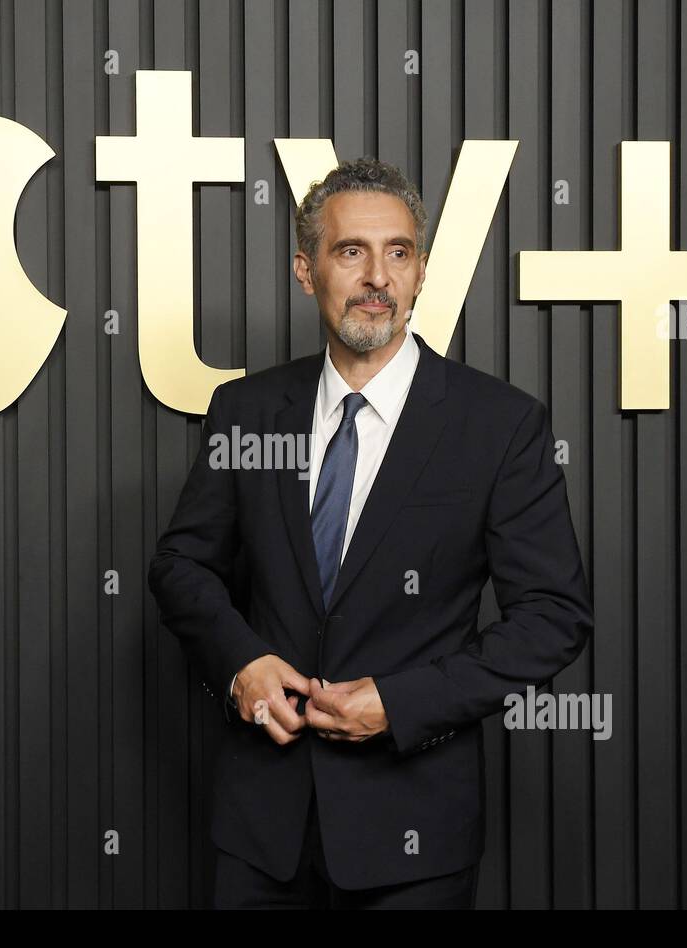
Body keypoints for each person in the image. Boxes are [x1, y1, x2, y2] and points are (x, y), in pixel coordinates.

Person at [147, 157, 593, 908]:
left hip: (414, 835)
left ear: (420, 272)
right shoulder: (247, 411)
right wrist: (240, 663)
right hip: (261, 832)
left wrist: (401, 700)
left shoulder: (500, 425)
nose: (377, 276)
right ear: (306, 270)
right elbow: (181, 564)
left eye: (399, 252)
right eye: (351, 251)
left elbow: (553, 617)